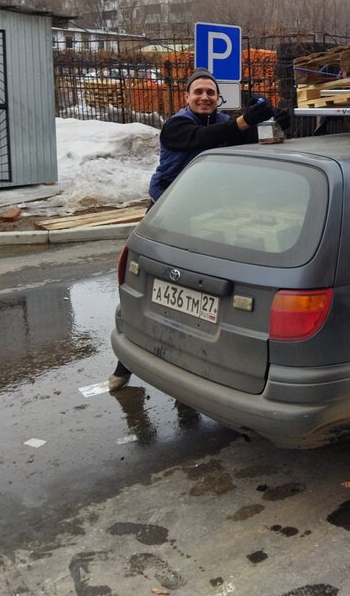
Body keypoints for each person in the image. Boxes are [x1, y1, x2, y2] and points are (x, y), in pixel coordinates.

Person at [109, 67, 276, 391]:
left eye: (210, 93)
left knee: (200, 293)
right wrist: (244, 121)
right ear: (187, 97)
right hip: (166, 213)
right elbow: (203, 140)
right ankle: (124, 362)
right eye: (198, 92)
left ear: (218, 98)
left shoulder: (225, 124)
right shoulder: (177, 125)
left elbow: (248, 142)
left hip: (207, 218)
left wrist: (267, 119)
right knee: (143, 285)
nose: (204, 97)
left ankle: (196, 361)